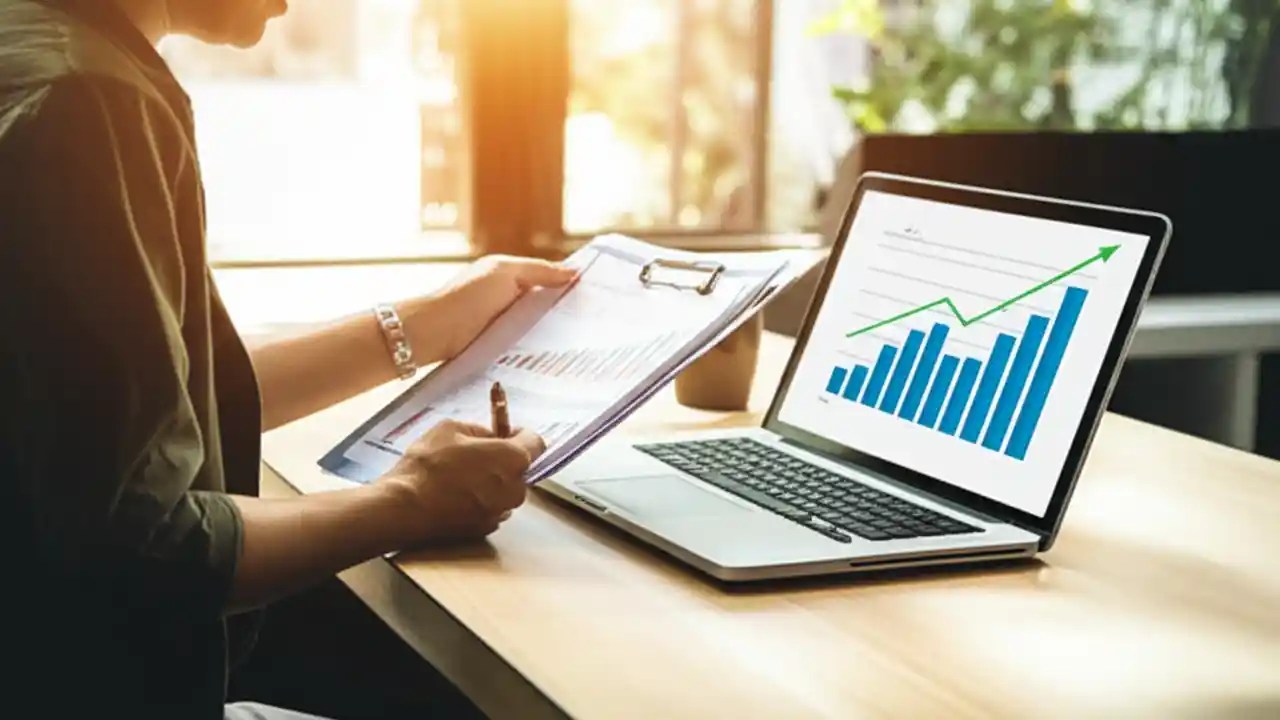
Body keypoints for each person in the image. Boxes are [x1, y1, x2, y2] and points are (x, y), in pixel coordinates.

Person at [0, 0, 576, 717]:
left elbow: (158, 401)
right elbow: (145, 546)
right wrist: (410, 500)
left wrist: (427, 326)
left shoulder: (39, 49)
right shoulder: (86, 101)